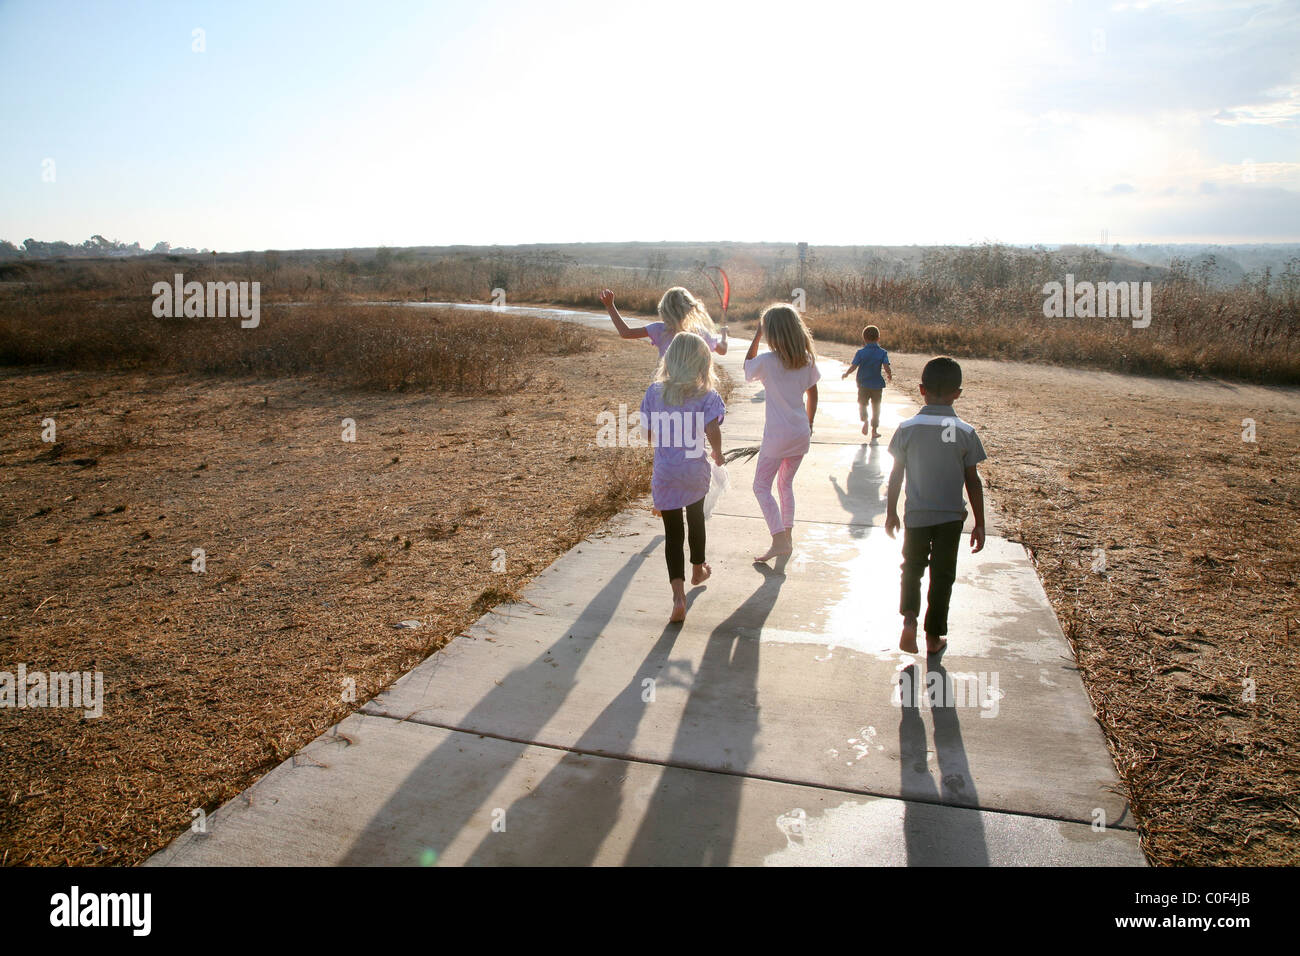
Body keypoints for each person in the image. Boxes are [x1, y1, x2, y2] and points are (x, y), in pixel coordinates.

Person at [884, 356, 987, 656]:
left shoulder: (907, 428)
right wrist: (979, 523)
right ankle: (933, 637)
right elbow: (973, 481)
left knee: (912, 569)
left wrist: (891, 512)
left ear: (921, 390)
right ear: (958, 393)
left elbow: (895, 475)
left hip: (916, 515)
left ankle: (909, 621)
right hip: (950, 518)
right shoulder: (966, 432)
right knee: (942, 575)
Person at [639, 332, 725, 622]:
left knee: (673, 535)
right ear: (702, 364)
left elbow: (646, 431)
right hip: (694, 470)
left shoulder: (654, 392)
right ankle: (698, 568)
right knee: (696, 517)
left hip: (666, 472)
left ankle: (678, 596)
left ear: (670, 360)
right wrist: (718, 453)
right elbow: (712, 429)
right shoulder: (707, 395)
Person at [744, 304, 819, 562]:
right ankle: (787, 535)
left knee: (761, 486)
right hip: (800, 432)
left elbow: (748, 366)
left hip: (777, 436)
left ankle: (778, 539)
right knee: (785, 484)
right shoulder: (806, 360)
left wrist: (756, 335)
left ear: (771, 333)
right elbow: (813, 393)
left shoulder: (767, 362)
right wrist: (809, 424)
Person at [601, 286, 728, 358]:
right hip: (693, 392)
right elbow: (722, 350)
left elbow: (626, 333)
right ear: (689, 308)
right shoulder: (699, 333)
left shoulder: (659, 330)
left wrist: (610, 306)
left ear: (664, 309)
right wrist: (724, 335)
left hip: (666, 391)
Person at [841, 324, 892, 440]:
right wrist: (889, 374)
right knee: (876, 407)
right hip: (877, 385)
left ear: (864, 339)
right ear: (878, 338)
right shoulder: (883, 352)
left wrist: (847, 373)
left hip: (863, 384)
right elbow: (886, 366)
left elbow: (854, 366)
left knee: (862, 404)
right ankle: (874, 430)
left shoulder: (860, 353)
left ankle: (865, 421)